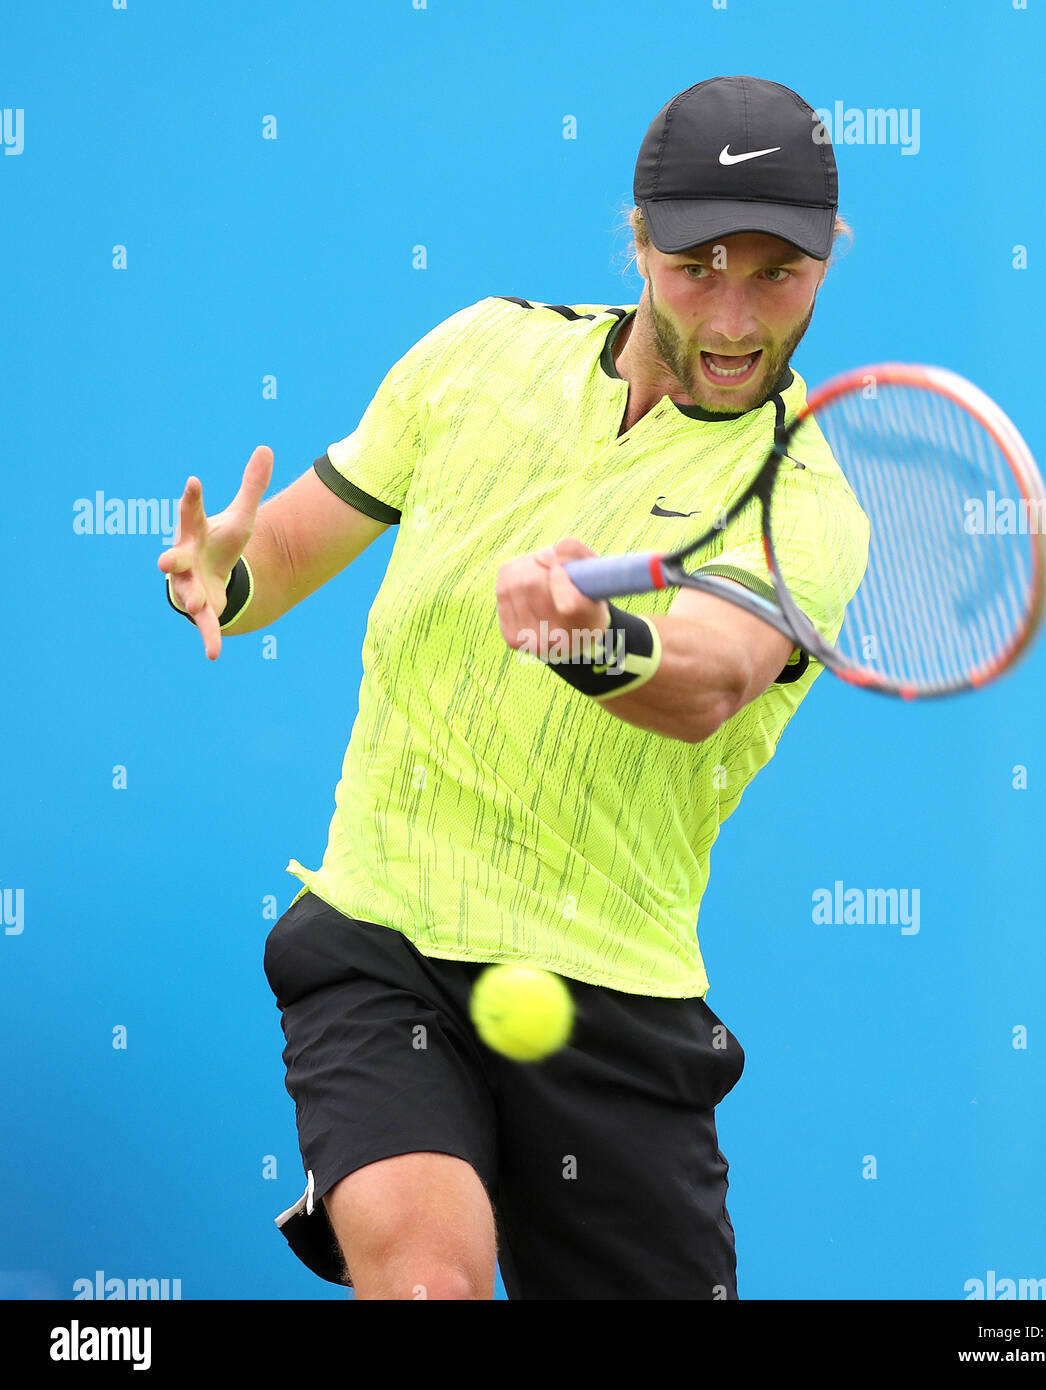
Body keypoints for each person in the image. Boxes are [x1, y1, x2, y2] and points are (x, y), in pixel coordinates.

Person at [159, 74, 861, 1300]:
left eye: (778, 275)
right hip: (385, 934)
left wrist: (593, 644)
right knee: (425, 1278)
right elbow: (287, 550)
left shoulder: (804, 496)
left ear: (828, 259)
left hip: (611, 1003)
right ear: (636, 240)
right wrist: (226, 571)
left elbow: (712, 676)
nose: (735, 316)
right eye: (696, 268)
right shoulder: (479, 354)